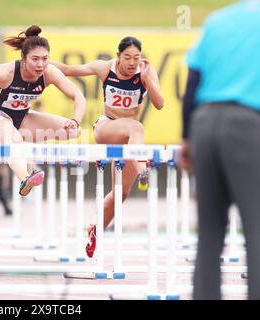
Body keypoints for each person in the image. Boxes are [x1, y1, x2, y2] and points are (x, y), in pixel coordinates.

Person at [52, 36, 164, 258]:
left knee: (120, 194)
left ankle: (96, 230)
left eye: (136, 58)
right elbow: (68, 69)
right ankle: (144, 172)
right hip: (105, 128)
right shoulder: (105, 68)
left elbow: (159, 103)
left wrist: (146, 79)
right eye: (127, 58)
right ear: (118, 56)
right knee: (137, 127)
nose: (132, 63)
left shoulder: (146, 71)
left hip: (128, 143)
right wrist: (39, 63)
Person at [179, 1, 260, 300]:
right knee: (256, 230)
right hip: (249, 126)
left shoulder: (218, 21)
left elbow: (193, 81)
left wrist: (187, 137)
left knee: (210, 235)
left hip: (205, 123)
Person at [0, 25, 86, 197]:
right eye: (35, 59)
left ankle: (29, 162)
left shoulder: (49, 72)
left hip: (22, 119)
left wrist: (75, 120)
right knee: (14, 138)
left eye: (45, 59)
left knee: (74, 131)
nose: (40, 64)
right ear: (23, 58)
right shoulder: (4, 73)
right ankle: (25, 177)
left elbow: (78, 95)